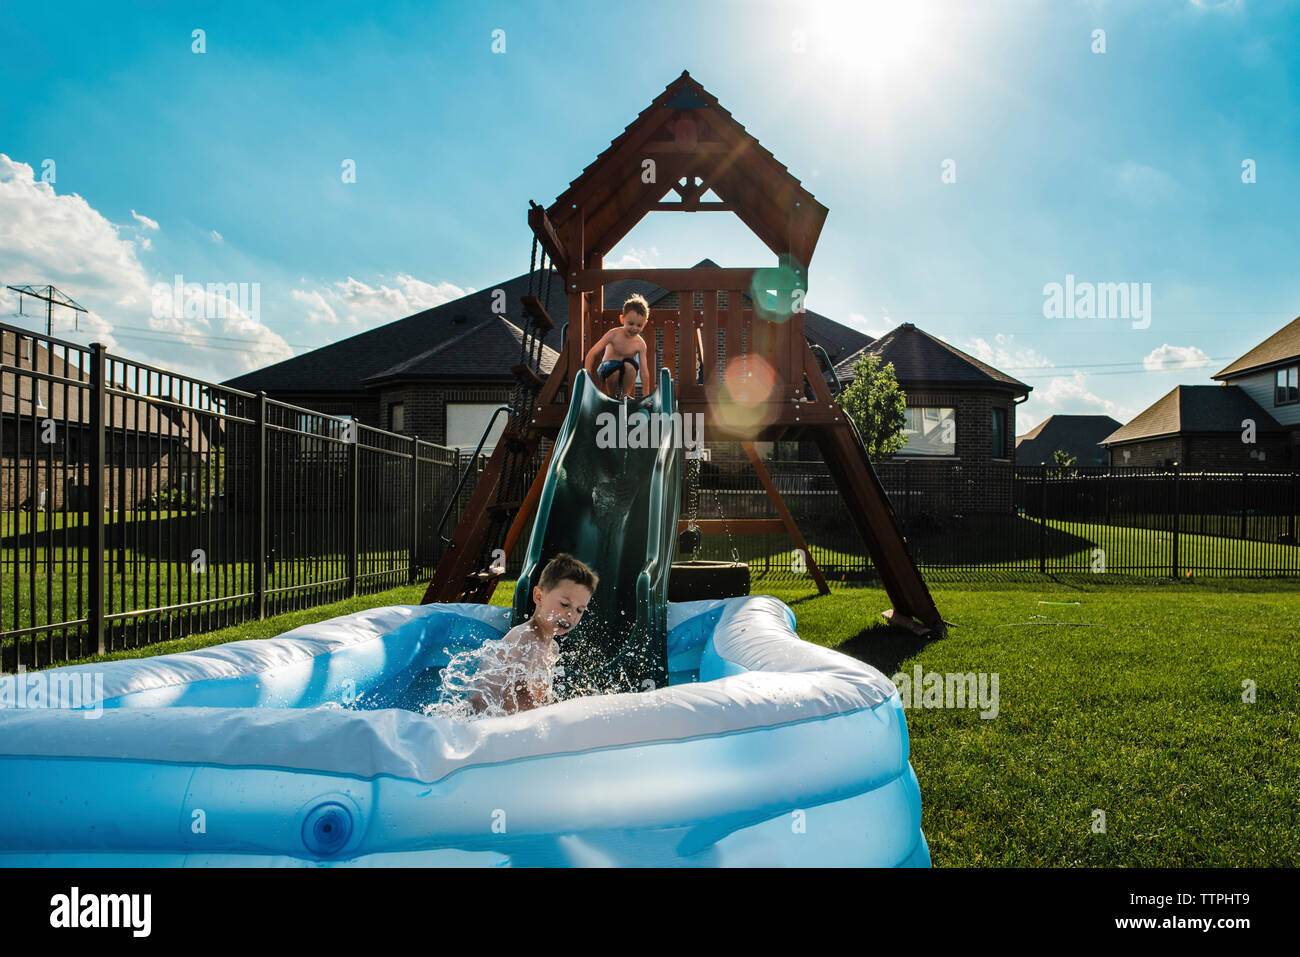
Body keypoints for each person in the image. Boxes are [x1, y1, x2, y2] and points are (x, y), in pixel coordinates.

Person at [460, 553, 598, 716]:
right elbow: (517, 692)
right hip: (481, 718)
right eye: (565, 604)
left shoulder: (552, 648)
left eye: (579, 609)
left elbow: (540, 697)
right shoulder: (526, 637)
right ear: (539, 597)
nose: (571, 614)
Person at [584, 293, 652, 398]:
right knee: (614, 369)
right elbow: (592, 354)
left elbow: (644, 371)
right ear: (622, 319)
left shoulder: (640, 344)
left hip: (624, 374)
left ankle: (624, 396)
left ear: (644, 324)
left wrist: (646, 396)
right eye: (631, 323)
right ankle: (611, 396)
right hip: (606, 370)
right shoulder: (613, 334)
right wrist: (587, 378)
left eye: (639, 325)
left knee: (630, 366)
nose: (634, 328)